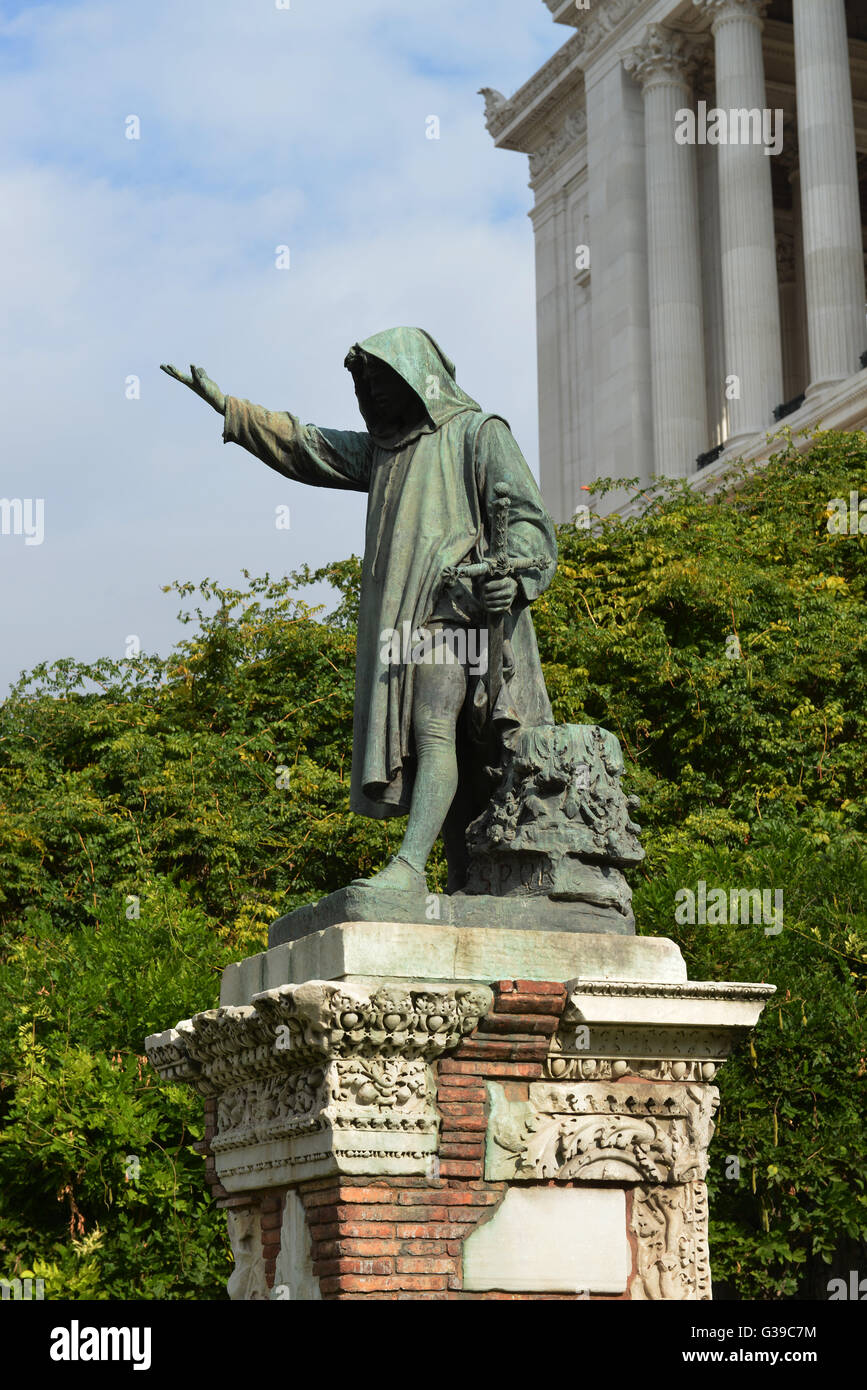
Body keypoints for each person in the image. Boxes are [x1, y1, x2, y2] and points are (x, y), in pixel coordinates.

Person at [161, 327, 557, 893]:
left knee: (433, 732)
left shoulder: (479, 432)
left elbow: (524, 517)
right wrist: (231, 408)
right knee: (440, 752)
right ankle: (464, 879)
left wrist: (515, 580)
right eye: (365, 380)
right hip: (402, 621)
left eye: (380, 376)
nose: (371, 388)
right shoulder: (383, 453)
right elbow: (308, 445)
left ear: (415, 374)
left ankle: (409, 870)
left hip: (457, 608)